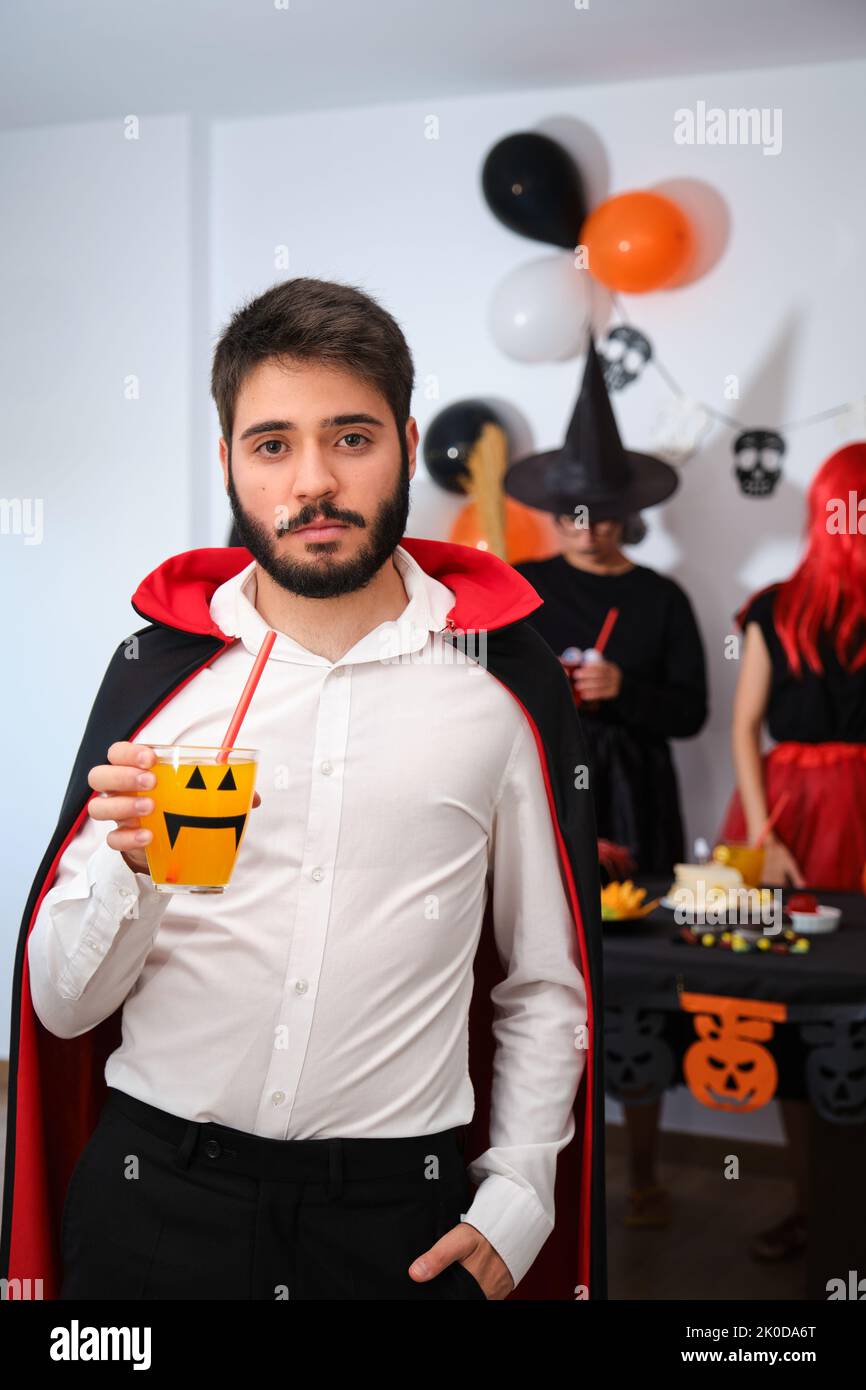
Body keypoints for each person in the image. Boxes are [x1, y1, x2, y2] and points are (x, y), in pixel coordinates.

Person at [1, 277, 605, 1302]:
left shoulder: (502, 681)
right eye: (272, 443)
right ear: (229, 461)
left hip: (394, 1219)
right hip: (152, 1202)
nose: (311, 481)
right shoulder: (160, 671)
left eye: (351, 438)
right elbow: (61, 1011)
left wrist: (518, 1196)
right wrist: (128, 873)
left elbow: (545, 981)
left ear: (408, 444)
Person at [505, 337, 708, 1232]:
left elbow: (695, 711)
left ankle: (643, 1167)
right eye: (572, 511)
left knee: (634, 982)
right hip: (543, 796)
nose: (585, 524)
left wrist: (627, 690)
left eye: (602, 511)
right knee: (540, 970)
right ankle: (532, 1167)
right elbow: (487, 692)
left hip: (637, 799)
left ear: (627, 514)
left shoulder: (663, 599)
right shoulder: (519, 589)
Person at [719, 440, 866, 1261]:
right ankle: (821, 1210)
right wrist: (767, 837)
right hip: (796, 818)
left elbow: (747, 727)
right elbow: (742, 726)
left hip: (791, 810)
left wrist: (768, 830)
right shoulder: (774, 607)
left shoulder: (773, 607)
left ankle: (819, 1209)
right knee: (806, 1007)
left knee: (803, 1008)